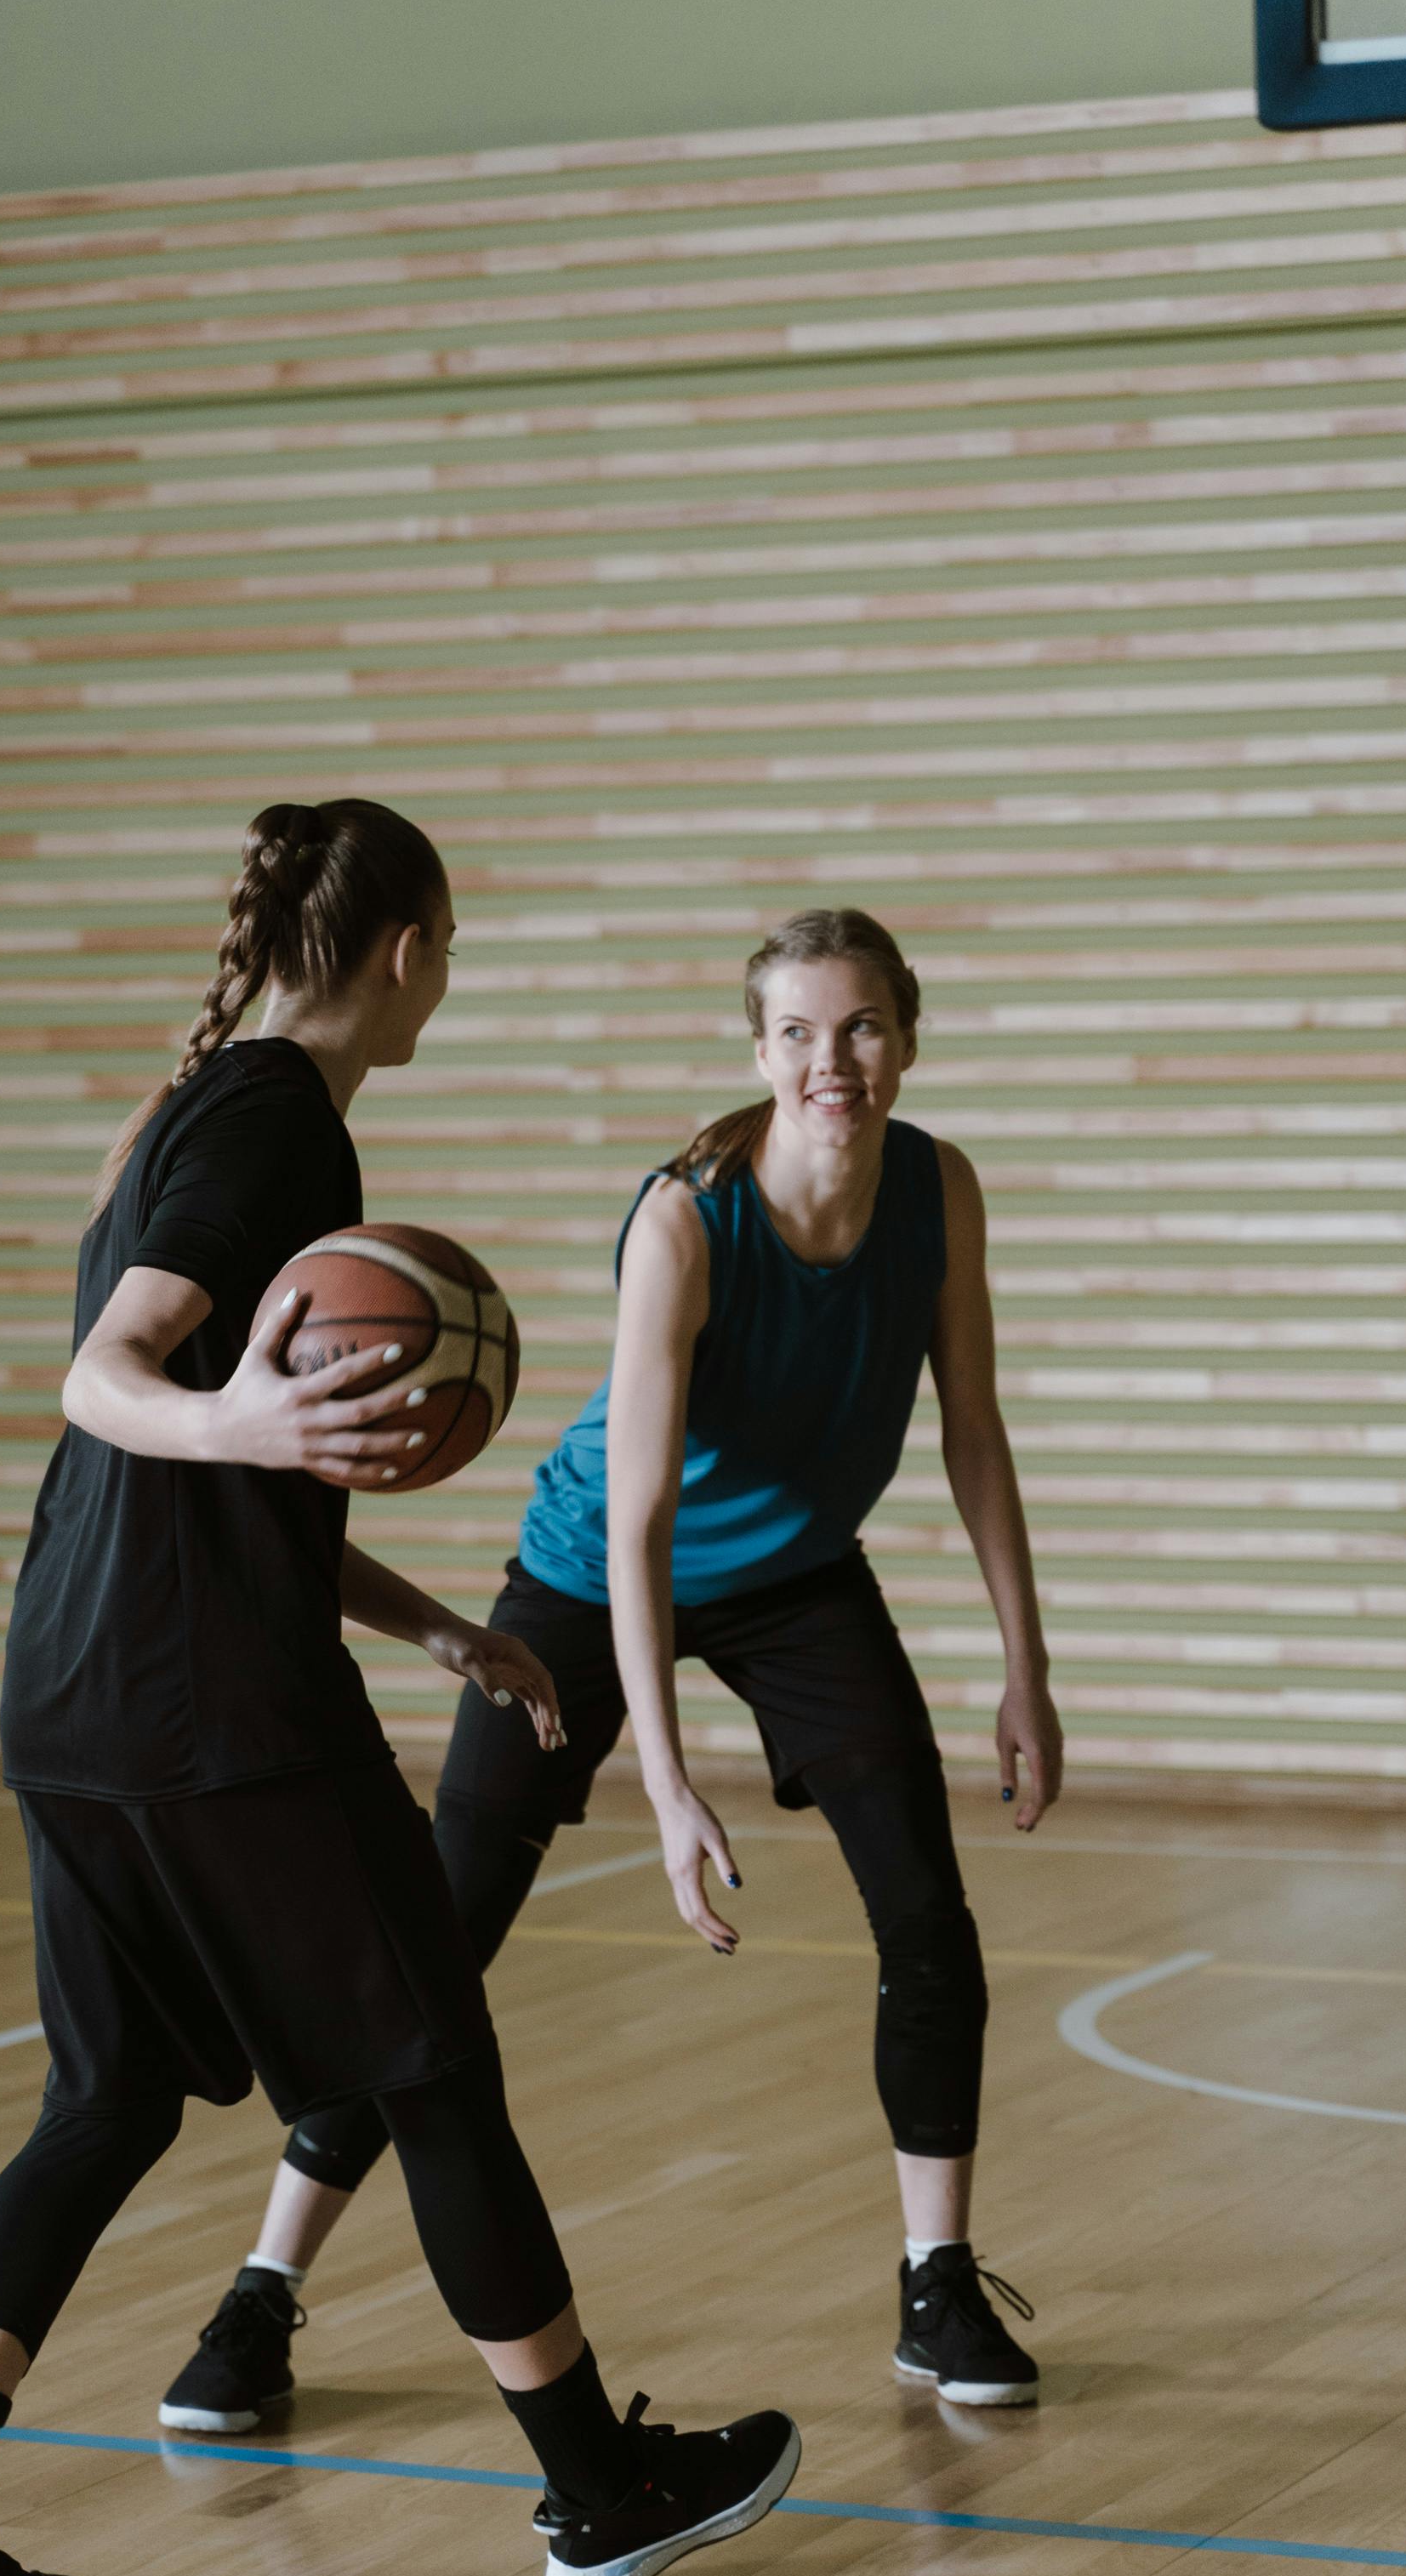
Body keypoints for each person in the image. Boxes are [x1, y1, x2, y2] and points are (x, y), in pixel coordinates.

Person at [0, 801, 800, 2576]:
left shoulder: (185, 1110)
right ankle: (601, 2488)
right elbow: (109, 1379)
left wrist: (429, 1617)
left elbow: (202, 1467)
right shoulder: (277, 1117)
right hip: (212, 1707)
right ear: (411, 949)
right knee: (429, 2064)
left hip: (73, 1684)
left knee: (105, 2100)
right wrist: (265, 1433)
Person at [164, 906, 1062, 2441]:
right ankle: (261, 2292)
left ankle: (937, 2278)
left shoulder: (937, 1187)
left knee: (926, 1908)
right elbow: (640, 1518)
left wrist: (1025, 1668)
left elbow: (972, 1432)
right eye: (795, 1031)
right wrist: (661, 1782)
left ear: (905, 1037)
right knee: (436, 1943)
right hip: (589, 1579)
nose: (828, 1060)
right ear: (756, 1050)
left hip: (795, 1578)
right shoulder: (685, 1216)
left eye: (857, 1028)